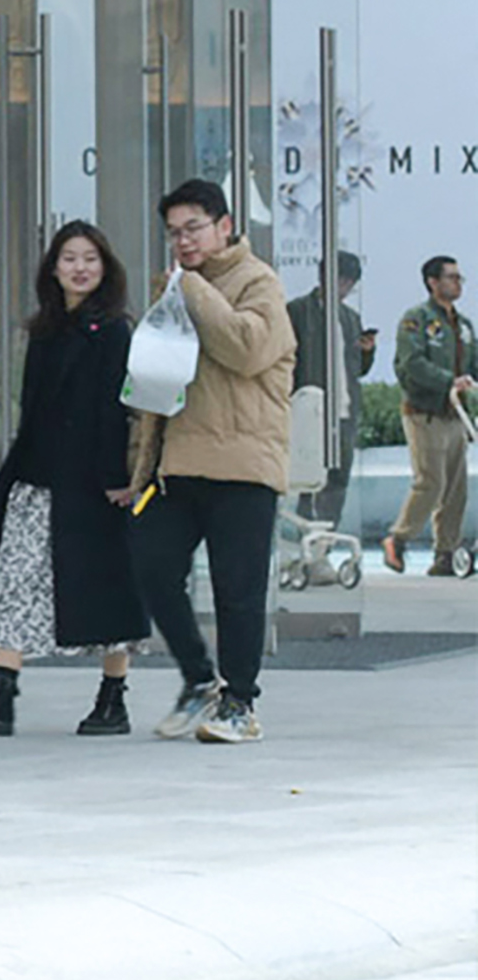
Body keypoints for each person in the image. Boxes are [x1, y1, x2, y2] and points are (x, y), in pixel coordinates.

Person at [0, 221, 148, 738]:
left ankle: (113, 699)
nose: (80, 267)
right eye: (69, 258)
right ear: (53, 268)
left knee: (108, 592)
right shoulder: (45, 328)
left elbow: (116, 409)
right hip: (38, 475)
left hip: (95, 482)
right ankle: (2, 692)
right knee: (14, 580)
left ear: (104, 268)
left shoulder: (114, 330)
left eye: (90, 258)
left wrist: (117, 477)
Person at [126, 179, 295, 746]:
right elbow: (155, 389)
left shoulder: (258, 282)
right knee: (148, 564)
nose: (182, 240)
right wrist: (140, 472)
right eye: (173, 232)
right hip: (180, 468)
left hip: (244, 466)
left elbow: (248, 349)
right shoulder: (177, 287)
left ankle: (240, 702)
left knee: (237, 591)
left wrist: (192, 290)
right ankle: (200, 679)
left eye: (193, 227)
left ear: (225, 226)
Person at [381, 254, 472, 576]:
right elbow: (411, 364)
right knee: (431, 482)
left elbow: (470, 365)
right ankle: (398, 539)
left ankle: (445, 554)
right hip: (425, 414)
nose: (458, 283)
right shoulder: (415, 320)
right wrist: (448, 381)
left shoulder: (463, 326)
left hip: (455, 416)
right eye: (451, 277)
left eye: (460, 278)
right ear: (433, 282)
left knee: (456, 489)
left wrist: (467, 383)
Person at [287, 250, 374, 526]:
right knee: (306, 476)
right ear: (324, 276)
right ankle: (302, 538)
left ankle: (326, 538)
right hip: (309, 407)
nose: (344, 288)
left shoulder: (350, 317)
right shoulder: (298, 310)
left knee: (338, 479)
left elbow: (358, 369)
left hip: (344, 410)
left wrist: (367, 352)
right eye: (340, 279)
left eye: (349, 282)